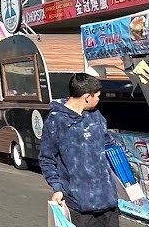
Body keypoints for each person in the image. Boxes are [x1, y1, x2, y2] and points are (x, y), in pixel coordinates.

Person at [39, 73, 119, 227]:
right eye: (98, 96)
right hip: (79, 205)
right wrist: (57, 188)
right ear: (87, 97)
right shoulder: (56, 120)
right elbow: (46, 159)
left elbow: (109, 145)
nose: (99, 99)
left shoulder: (96, 116)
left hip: (107, 201)